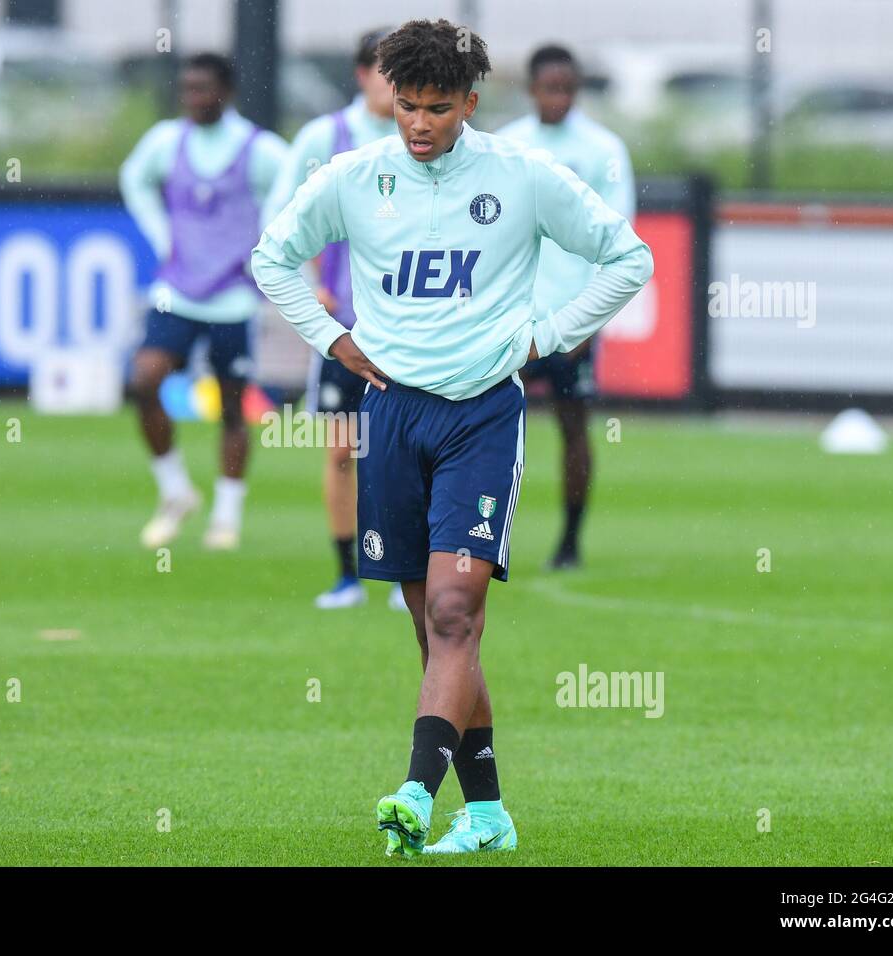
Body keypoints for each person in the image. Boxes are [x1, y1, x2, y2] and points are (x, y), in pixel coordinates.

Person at [252, 19, 652, 857]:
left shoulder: (524, 177)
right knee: (433, 630)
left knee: (454, 610)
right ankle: (490, 813)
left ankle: (413, 791)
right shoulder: (353, 178)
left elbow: (626, 258)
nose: (420, 124)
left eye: (439, 107)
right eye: (407, 107)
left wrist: (546, 336)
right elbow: (273, 259)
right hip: (390, 416)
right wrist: (333, 341)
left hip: (480, 415)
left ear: (472, 102)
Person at [261, 28, 407, 611]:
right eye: (383, 71)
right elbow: (279, 220)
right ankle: (347, 575)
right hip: (345, 332)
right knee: (343, 451)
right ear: (361, 73)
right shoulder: (327, 138)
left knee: (400, 452)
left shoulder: (422, 137)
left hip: (408, 332)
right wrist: (308, 286)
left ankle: (402, 574)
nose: (393, 85)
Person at [119, 53, 287, 550]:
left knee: (232, 408)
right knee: (145, 377)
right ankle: (175, 491)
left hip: (233, 298)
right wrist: (162, 237)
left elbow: (298, 185)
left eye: (203, 88)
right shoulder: (167, 142)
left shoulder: (257, 149)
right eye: (187, 88)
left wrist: (264, 243)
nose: (193, 98)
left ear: (227, 92)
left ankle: (226, 516)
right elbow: (134, 180)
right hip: (177, 291)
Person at [496, 44, 636, 570]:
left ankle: (570, 541)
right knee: (493, 426)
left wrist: (591, 320)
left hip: (572, 321)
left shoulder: (603, 150)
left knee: (573, 426)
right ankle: (490, 534)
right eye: (549, 87)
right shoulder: (507, 146)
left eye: (567, 88)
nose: (558, 97)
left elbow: (618, 241)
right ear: (531, 89)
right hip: (511, 318)